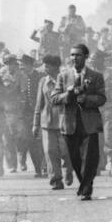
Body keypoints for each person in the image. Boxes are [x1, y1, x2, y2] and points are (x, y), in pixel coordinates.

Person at [51, 43, 106, 200]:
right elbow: (54, 98)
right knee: (75, 158)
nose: (75, 58)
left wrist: (86, 99)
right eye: (72, 55)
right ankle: (85, 183)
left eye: (78, 55)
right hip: (69, 123)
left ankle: (86, 188)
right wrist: (67, 95)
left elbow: (102, 98)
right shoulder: (63, 76)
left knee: (90, 157)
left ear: (86, 57)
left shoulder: (96, 76)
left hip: (89, 123)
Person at [33, 54, 73, 188]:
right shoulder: (42, 81)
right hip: (47, 122)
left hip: (64, 121)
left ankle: (69, 169)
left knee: (66, 151)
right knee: (50, 151)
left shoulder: (67, 80)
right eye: (44, 65)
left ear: (55, 67)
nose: (44, 68)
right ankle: (56, 179)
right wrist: (35, 124)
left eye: (47, 65)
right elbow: (39, 104)